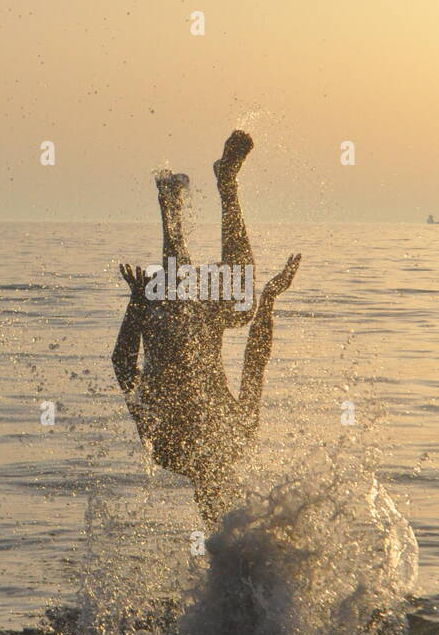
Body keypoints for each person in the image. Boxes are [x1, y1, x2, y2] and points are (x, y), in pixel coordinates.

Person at [112, 130, 301, 529]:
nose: (223, 485)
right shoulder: (236, 437)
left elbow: (123, 367)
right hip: (191, 322)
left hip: (160, 323)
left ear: (203, 496)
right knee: (241, 302)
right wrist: (268, 298)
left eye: (216, 494)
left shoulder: (164, 450)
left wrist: (138, 303)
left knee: (179, 308)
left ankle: (170, 207)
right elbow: (256, 360)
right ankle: (225, 183)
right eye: (229, 489)